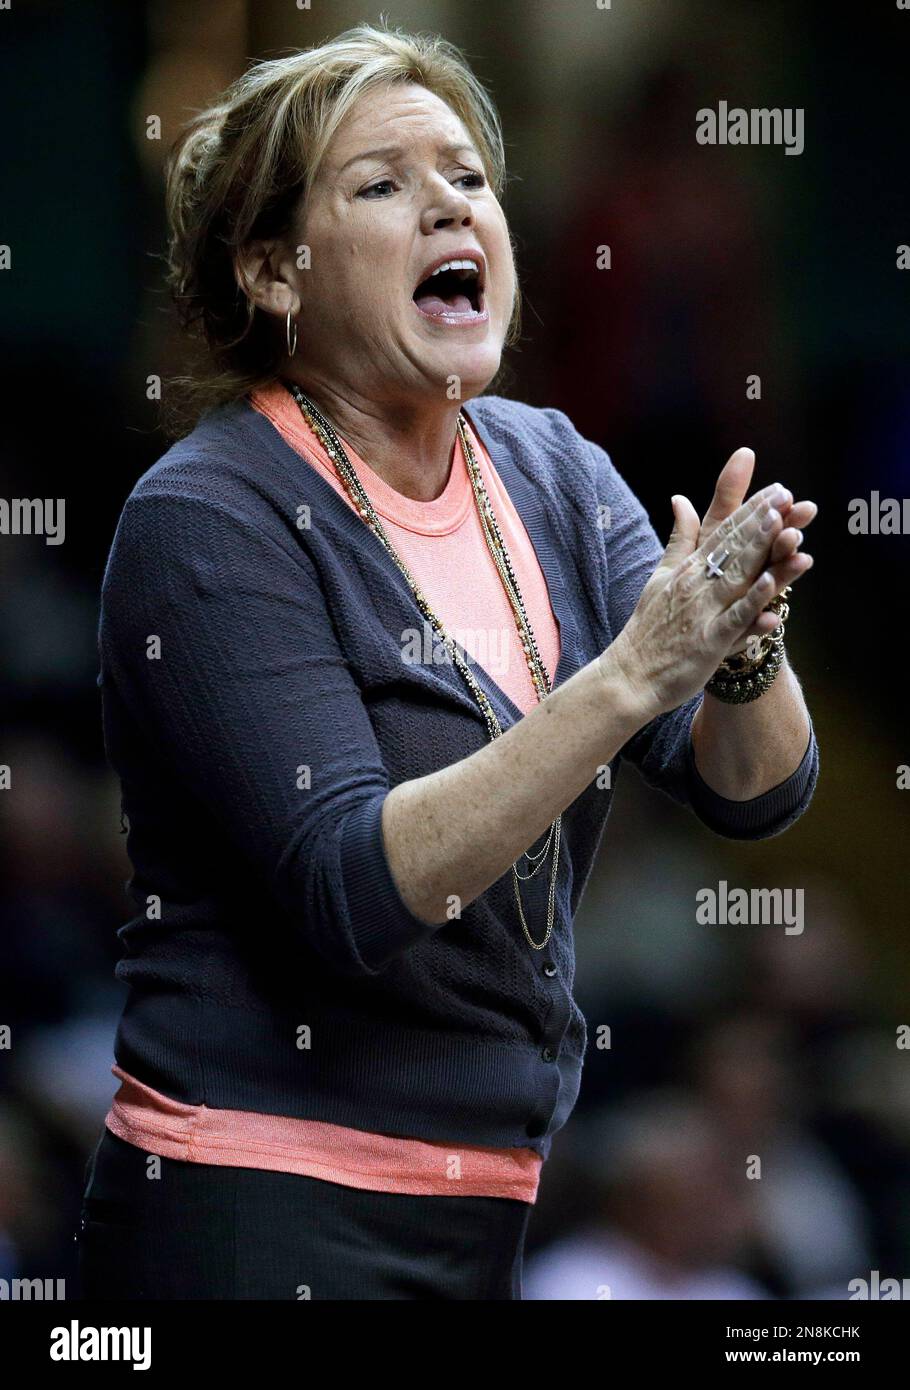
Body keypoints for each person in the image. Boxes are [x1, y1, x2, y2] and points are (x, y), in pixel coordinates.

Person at [76, 22, 819, 1301]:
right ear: (274, 271)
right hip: (252, 1211)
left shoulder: (553, 471)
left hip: (484, 1207)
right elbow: (353, 886)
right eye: (380, 184)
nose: (445, 205)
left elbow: (751, 793)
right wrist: (639, 669)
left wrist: (742, 651)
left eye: (467, 177)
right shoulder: (207, 515)